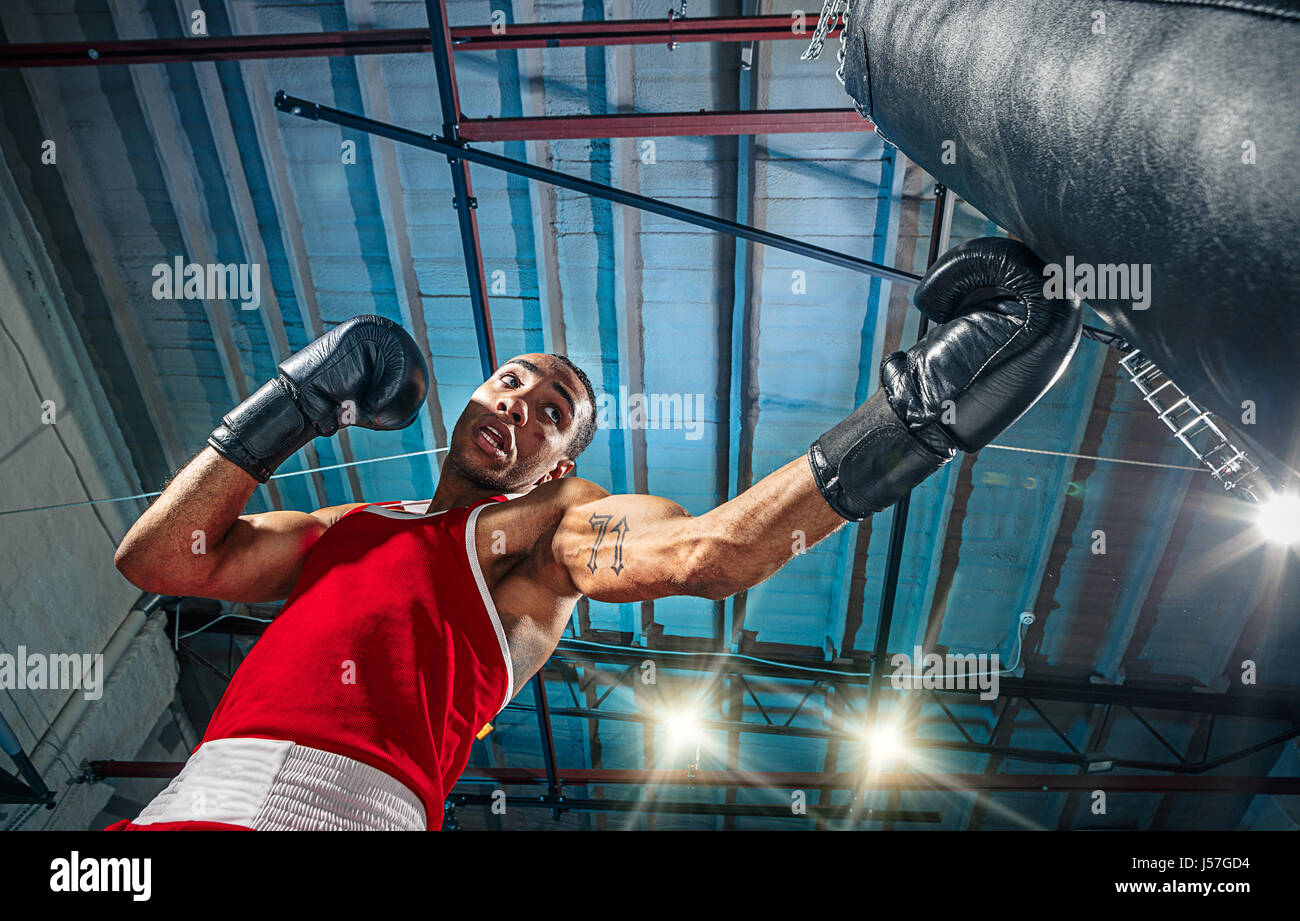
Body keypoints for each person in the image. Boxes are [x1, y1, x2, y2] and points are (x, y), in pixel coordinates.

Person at [108, 237, 1079, 830]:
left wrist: (916, 415)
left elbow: (715, 554)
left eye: (551, 410)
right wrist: (294, 401)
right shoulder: (345, 525)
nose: (520, 403)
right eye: (511, 382)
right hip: (199, 790)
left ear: (559, 464)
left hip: (341, 807)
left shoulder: (546, 533)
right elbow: (157, 560)